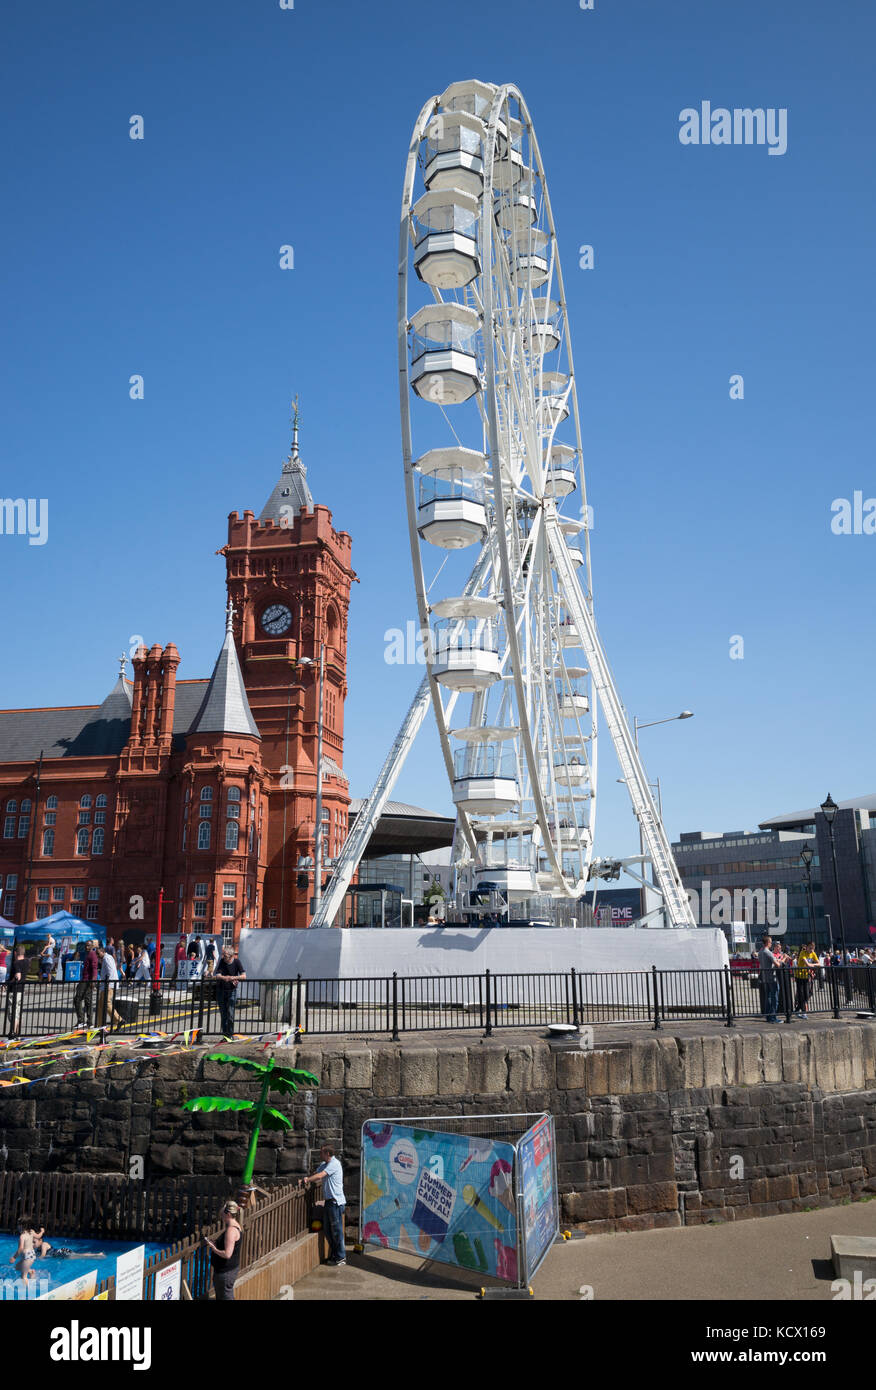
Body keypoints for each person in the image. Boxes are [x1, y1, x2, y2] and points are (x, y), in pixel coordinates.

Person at [301, 1145, 346, 1267]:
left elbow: (320, 1176)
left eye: (321, 1153)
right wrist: (308, 1177)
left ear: (327, 1153)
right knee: (327, 1230)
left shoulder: (334, 1164)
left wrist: (307, 1180)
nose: (320, 1155)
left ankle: (341, 1257)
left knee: (336, 1231)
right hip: (329, 1202)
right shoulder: (324, 1164)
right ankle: (335, 1254)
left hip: (335, 1202)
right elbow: (317, 1172)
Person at [203, 1200, 242, 1301]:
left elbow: (227, 1254)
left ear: (228, 1214)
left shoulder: (231, 1231)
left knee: (225, 1297)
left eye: (224, 1214)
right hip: (230, 1269)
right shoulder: (236, 1225)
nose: (221, 1216)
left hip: (225, 1272)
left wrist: (214, 1248)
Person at [214, 946, 245, 1040]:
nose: (223, 957)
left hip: (232, 991)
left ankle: (230, 1034)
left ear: (231, 956)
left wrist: (234, 978)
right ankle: (225, 1035)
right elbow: (218, 974)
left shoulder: (237, 962)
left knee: (230, 1014)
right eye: (223, 955)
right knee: (223, 1015)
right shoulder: (222, 962)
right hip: (221, 990)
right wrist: (225, 978)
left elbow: (244, 976)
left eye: (225, 955)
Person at [9, 1216, 43, 1282]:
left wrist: (14, 1257)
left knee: (23, 1276)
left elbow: (21, 1248)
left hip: (27, 1256)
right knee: (17, 1267)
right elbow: (38, 1236)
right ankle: (31, 1272)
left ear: (22, 1226)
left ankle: (26, 1290)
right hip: (31, 1254)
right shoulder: (31, 1232)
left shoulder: (22, 1236)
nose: (17, 1226)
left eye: (18, 1224)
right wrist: (42, 1231)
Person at [74, 939, 99, 1026]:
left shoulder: (92, 954)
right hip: (84, 979)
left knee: (78, 999)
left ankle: (82, 1021)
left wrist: (93, 981)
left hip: (87, 980)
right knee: (87, 1000)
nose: (86, 947)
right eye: (86, 945)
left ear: (92, 946)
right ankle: (88, 1022)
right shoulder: (88, 954)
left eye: (88, 945)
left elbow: (94, 969)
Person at [96, 945, 122, 1026]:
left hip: (109, 985)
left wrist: (107, 984)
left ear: (102, 951)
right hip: (106, 984)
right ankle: (100, 1025)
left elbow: (110, 972)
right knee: (100, 1005)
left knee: (106, 1003)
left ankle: (118, 1019)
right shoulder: (106, 958)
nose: (97, 955)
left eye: (98, 953)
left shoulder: (107, 958)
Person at [5, 946, 28, 1037]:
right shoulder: (26, 962)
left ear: (15, 953)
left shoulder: (16, 963)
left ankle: (13, 1033)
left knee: (12, 1012)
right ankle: (17, 1033)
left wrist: (8, 983)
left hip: (14, 990)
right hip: (21, 990)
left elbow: (17, 977)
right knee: (18, 1012)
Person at [758, 935, 780, 1024]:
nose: (771, 944)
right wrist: (782, 960)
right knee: (774, 998)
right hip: (772, 977)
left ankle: (768, 1016)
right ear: (767, 942)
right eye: (771, 942)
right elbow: (777, 964)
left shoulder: (760, 952)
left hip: (764, 977)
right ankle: (773, 1017)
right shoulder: (768, 952)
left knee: (768, 997)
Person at [794, 941, 818, 1016]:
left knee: (807, 994)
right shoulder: (802, 953)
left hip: (806, 976)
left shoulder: (813, 953)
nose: (811, 950)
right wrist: (813, 965)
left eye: (813, 948)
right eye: (810, 948)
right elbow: (807, 964)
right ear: (806, 947)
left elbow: (819, 963)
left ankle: (797, 1009)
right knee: (801, 994)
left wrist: (812, 965)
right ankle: (803, 1012)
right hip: (799, 976)